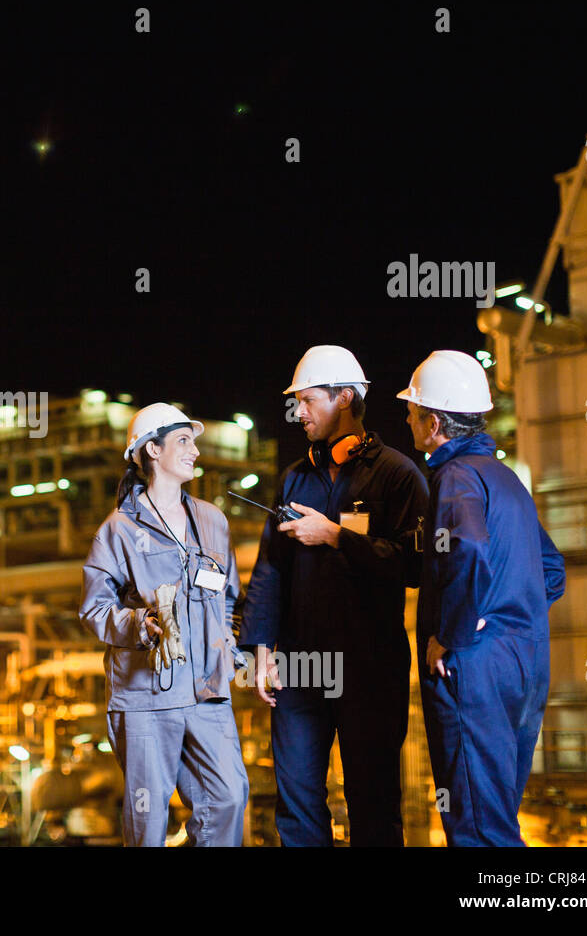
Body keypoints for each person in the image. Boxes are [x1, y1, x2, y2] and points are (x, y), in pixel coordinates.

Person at [238, 345, 428, 846]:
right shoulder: (295, 478)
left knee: (372, 802)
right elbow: (270, 569)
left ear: (345, 398)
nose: (298, 413)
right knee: (297, 801)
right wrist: (262, 651)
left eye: (307, 401)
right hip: (301, 665)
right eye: (296, 402)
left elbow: (413, 565)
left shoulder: (397, 476)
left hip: (370, 664)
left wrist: (338, 537)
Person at [399, 350, 565, 846]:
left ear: (433, 424)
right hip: (525, 659)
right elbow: (551, 570)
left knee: (476, 825)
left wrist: (451, 635)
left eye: (411, 415)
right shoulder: (506, 478)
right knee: (497, 814)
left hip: (474, 665)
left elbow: (467, 548)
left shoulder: (456, 478)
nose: (408, 423)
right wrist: (511, 612)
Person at [80, 402, 250, 846]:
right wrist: (139, 623)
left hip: (207, 692)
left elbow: (230, 598)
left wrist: (235, 655)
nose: (195, 450)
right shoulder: (118, 530)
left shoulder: (213, 520)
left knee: (230, 796)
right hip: (145, 699)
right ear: (152, 450)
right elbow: (94, 610)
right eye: (183, 441)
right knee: (148, 818)